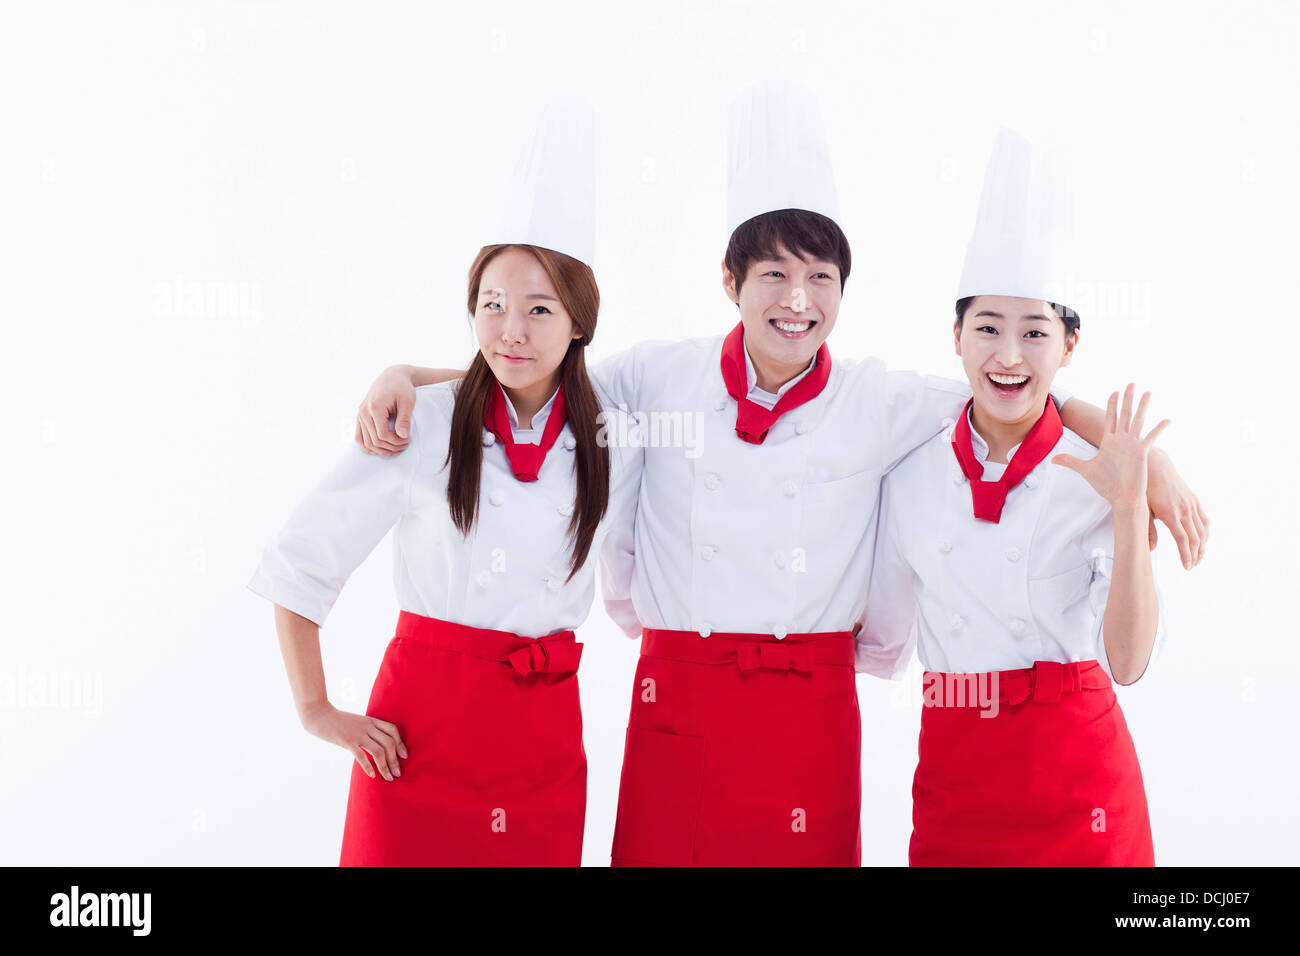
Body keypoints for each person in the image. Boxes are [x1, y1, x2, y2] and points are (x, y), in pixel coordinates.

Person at [351, 94, 1207, 866]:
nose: (798, 300)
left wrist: (1147, 462)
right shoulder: (658, 380)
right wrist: (414, 373)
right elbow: (537, 380)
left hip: (810, 723)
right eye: (774, 275)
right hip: (678, 707)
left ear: (842, 290)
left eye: (820, 279)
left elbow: (1009, 389)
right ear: (730, 281)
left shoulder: (877, 398)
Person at [247, 101, 643, 865]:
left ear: (580, 323)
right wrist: (317, 712)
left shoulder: (615, 437)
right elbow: (300, 563)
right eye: (491, 307)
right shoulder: (420, 424)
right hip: (416, 744)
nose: (511, 330)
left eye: (538, 309)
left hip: (541, 752)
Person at [858, 129, 1166, 865]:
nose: (1008, 355)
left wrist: (1130, 505)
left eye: (1035, 332)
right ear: (956, 336)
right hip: (959, 781)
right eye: (988, 328)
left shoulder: (1101, 471)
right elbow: (880, 641)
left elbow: (1127, 662)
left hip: (1081, 780)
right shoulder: (910, 479)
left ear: (1068, 348)